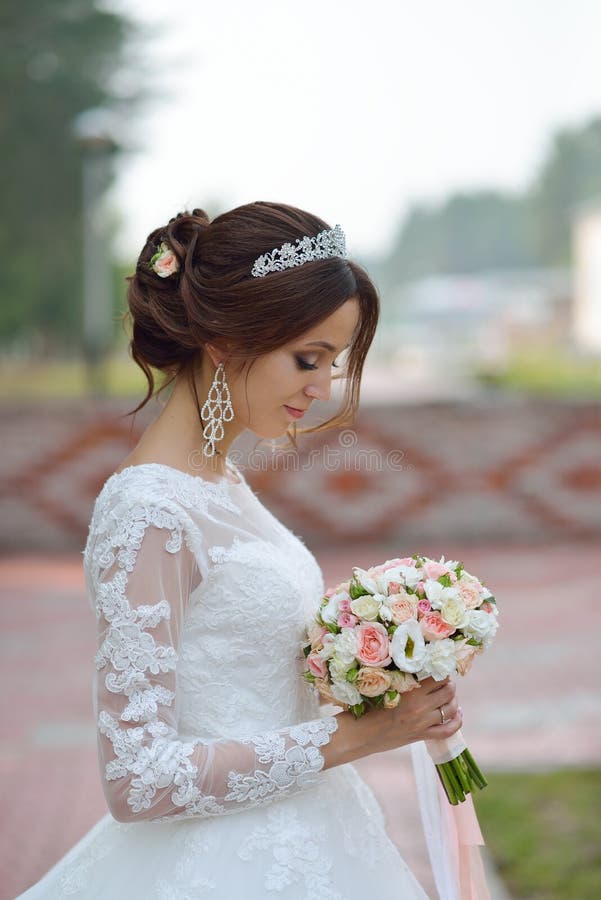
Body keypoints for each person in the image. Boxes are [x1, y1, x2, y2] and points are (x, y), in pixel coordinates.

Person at [17, 201, 484, 899]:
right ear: (227, 343)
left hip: (315, 831)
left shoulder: (221, 479)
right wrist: (358, 738)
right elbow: (136, 777)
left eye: (333, 363)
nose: (322, 388)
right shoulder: (149, 512)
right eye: (309, 358)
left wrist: (380, 672)